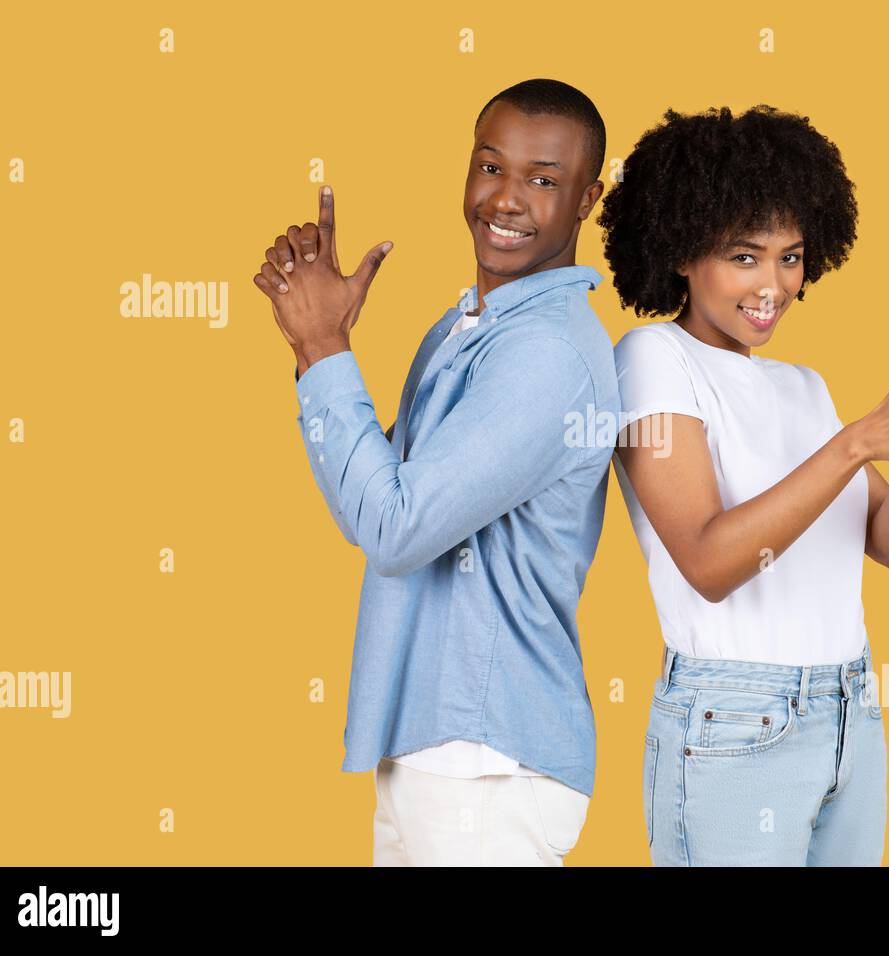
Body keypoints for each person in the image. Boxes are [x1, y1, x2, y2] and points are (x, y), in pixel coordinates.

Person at [597, 104, 889, 866]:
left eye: (791, 256)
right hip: (735, 721)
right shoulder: (651, 359)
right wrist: (857, 443)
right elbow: (709, 563)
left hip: (850, 707)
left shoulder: (803, 386)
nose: (773, 284)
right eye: (744, 256)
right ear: (682, 250)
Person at [253, 79, 618, 865]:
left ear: (590, 197)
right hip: (433, 750)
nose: (507, 200)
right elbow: (372, 507)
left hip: (485, 764)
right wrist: (314, 345)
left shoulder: (546, 354)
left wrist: (325, 351)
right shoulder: (464, 330)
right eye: (491, 167)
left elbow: (394, 528)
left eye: (544, 180)